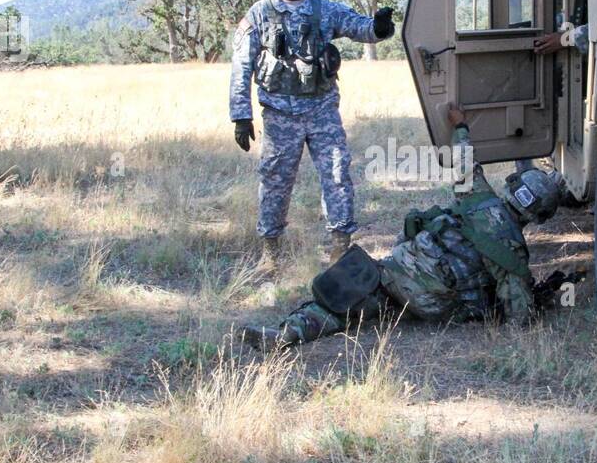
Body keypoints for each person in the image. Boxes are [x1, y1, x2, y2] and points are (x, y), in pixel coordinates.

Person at [240, 104, 568, 349]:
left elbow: (465, 157)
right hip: (431, 305)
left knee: (345, 305)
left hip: (398, 274)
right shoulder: (514, 258)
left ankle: (288, 332)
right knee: (377, 306)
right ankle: (290, 333)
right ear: (539, 216)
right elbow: (519, 318)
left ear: (512, 187)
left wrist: (461, 125)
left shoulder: (477, 196)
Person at [229, 0, 395, 266]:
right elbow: (241, 65)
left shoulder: (324, 10)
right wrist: (241, 114)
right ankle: (271, 251)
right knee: (275, 178)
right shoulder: (259, 14)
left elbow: (361, 28)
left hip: (321, 109)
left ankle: (340, 247)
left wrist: (381, 26)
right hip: (279, 113)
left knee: (336, 173)